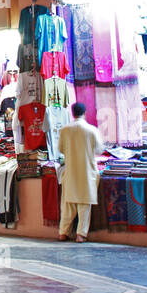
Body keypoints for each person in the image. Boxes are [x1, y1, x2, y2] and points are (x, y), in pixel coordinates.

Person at [57, 102, 103, 243]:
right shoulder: (91, 130)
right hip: (87, 172)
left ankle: (63, 233)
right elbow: (99, 150)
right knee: (84, 205)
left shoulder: (64, 130)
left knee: (68, 205)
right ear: (85, 113)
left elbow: (61, 149)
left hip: (70, 171)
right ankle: (80, 235)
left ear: (72, 113)